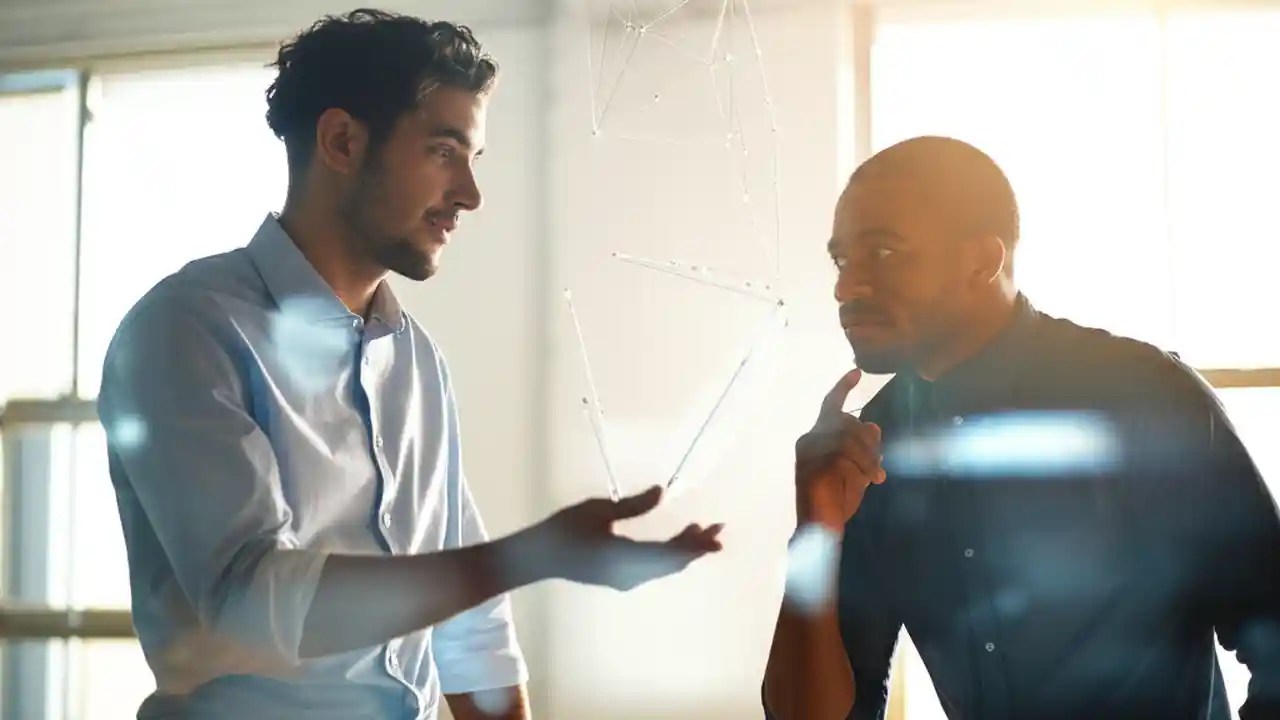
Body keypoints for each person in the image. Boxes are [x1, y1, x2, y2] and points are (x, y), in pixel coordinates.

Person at [97, 10, 723, 719]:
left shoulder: (416, 360)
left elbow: (470, 634)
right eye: (443, 152)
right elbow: (252, 606)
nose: (469, 195)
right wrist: (529, 556)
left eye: (473, 159)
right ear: (341, 141)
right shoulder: (186, 330)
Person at [761, 135, 1280, 719]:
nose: (846, 287)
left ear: (983, 260)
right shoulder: (868, 450)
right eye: (841, 260)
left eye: (882, 253)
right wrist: (816, 530)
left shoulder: (1146, 397)